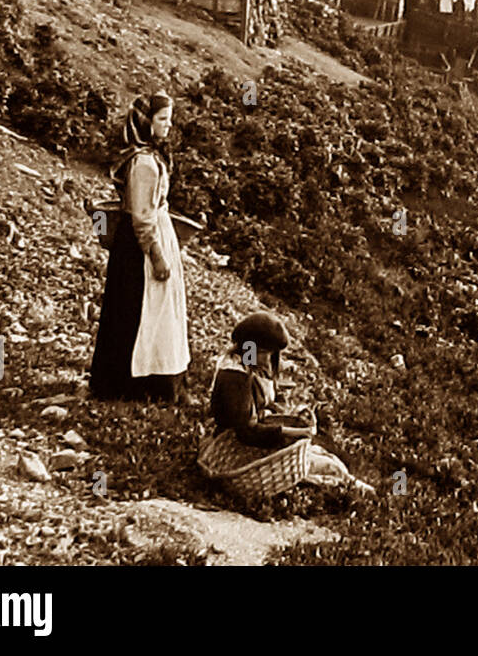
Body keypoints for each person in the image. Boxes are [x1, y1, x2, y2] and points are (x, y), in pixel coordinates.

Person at [89, 91, 190, 403]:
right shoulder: (143, 163)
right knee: (140, 311)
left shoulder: (148, 156)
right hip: (141, 245)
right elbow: (142, 217)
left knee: (151, 312)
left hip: (154, 235)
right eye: (162, 120)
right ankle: (135, 384)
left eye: (169, 120)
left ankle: (151, 380)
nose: (167, 126)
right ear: (145, 123)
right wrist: (157, 256)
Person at [207, 313, 374, 494]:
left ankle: (354, 485)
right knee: (326, 468)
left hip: (256, 440)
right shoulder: (235, 377)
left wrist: (295, 414)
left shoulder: (251, 368)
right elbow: (247, 431)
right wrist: (296, 432)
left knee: (327, 457)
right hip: (236, 449)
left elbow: (267, 404)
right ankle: (356, 490)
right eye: (264, 353)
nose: (267, 359)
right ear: (249, 348)